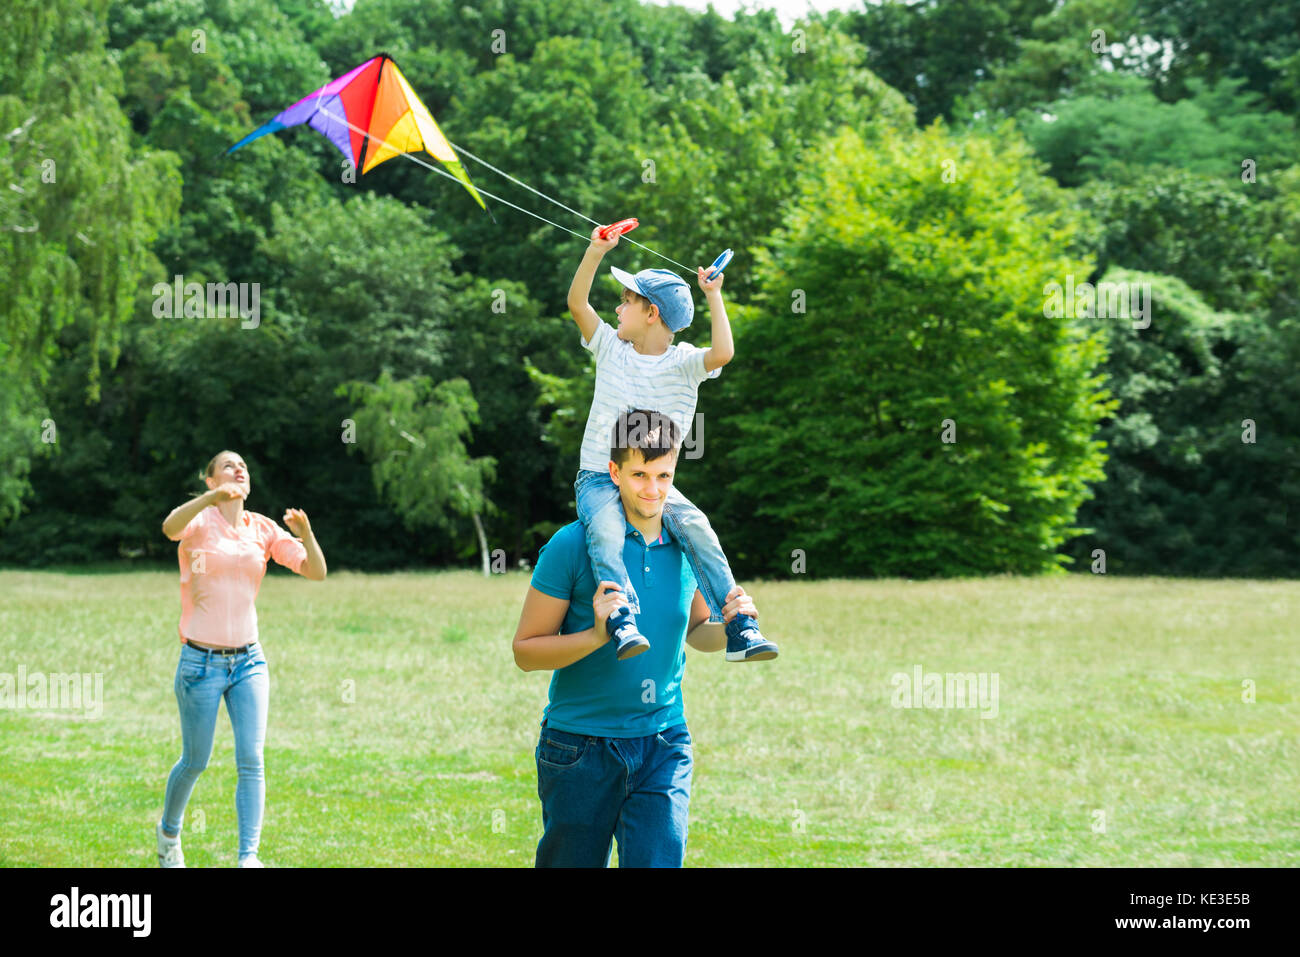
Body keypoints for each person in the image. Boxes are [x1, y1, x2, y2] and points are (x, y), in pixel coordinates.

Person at [512, 409, 762, 867]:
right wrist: (594, 634)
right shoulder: (573, 545)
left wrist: (729, 630)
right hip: (579, 748)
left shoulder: (688, 546)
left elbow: (694, 634)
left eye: (663, 475)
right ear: (614, 472)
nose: (652, 489)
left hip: (663, 742)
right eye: (639, 474)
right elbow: (526, 652)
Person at [565, 224, 777, 663]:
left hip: (656, 488)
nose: (617, 308)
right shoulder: (610, 348)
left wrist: (713, 295)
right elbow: (576, 303)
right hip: (600, 479)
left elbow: (723, 353)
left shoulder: (685, 363)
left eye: (627, 300)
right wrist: (595, 251)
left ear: (652, 314)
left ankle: (739, 624)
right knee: (604, 532)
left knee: (698, 528)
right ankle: (622, 618)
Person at [155, 450, 326, 867]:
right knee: (195, 760)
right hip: (200, 663)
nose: (239, 469)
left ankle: (249, 858)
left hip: (249, 662)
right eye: (228, 465)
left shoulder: (262, 528)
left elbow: (316, 571)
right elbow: (168, 527)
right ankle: (168, 835)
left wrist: (306, 533)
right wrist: (208, 500)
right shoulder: (199, 520)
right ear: (211, 480)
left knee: (251, 759)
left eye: (243, 466)